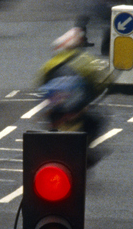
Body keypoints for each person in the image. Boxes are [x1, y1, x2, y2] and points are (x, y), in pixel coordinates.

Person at [38, 27, 114, 155]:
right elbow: (101, 80)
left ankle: (49, 151)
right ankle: (87, 149)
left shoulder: (49, 64)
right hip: (77, 109)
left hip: (55, 112)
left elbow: (41, 84)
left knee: (51, 129)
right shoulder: (85, 59)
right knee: (96, 122)